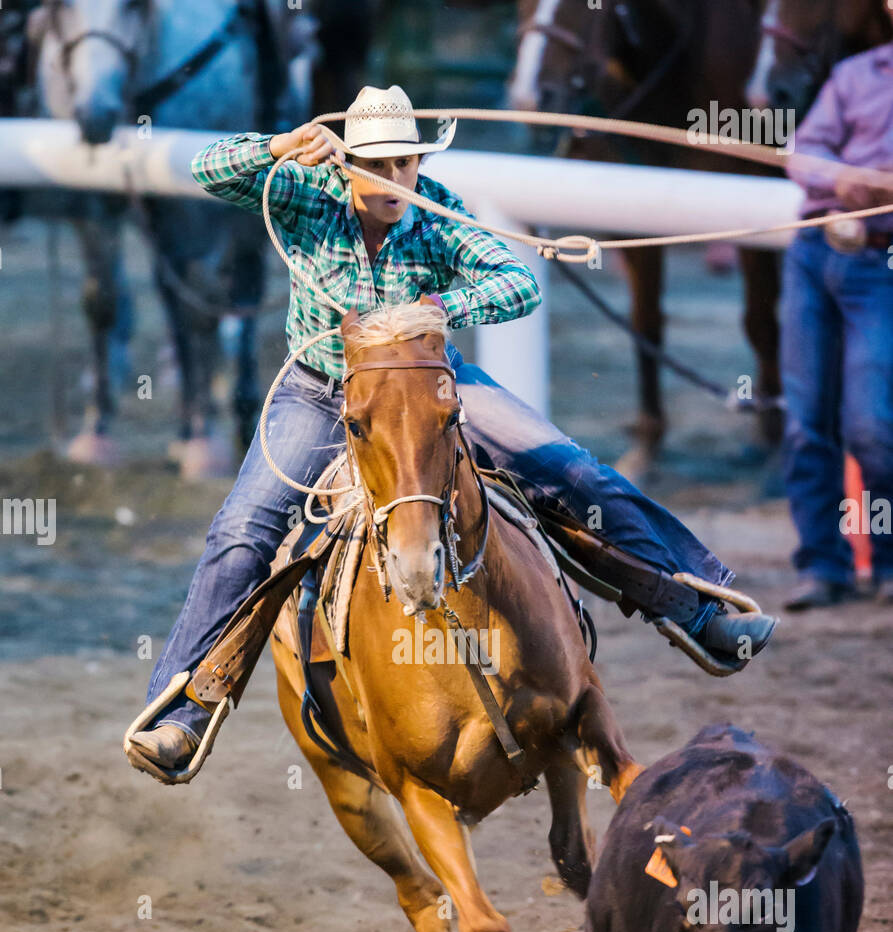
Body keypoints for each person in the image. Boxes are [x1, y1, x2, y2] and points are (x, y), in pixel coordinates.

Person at [127, 85, 775, 778]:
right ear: (344, 165)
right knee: (242, 530)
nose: (395, 179)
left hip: (435, 384)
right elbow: (208, 170)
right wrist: (281, 147)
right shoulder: (301, 193)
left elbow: (513, 282)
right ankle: (183, 712)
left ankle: (695, 607)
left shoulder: (436, 215)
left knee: (573, 472)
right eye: (378, 164)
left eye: (405, 164)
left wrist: (434, 307)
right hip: (321, 391)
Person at [781, 29, 893, 610]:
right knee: (805, 421)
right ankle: (823, 566)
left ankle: (886, 560)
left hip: (885, 259)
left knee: (872, 424)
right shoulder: (856, 74)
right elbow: (806, 150)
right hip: (816, 251)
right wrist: (840, 179)